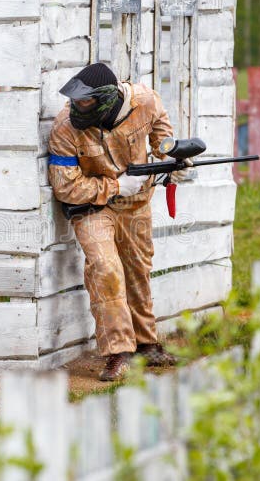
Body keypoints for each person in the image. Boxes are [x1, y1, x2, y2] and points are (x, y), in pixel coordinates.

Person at [47, 62, 193, 381]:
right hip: (90, 207)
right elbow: (65, 186)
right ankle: (118, 352)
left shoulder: (146, 102)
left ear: (106, 99)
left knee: (138, 269)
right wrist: (115, 186)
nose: (77, 106)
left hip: (136, 204)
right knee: (106, 268)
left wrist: (173, 162)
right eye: (75, 100)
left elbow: (163, 141)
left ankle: (146, 345)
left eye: (85, 101)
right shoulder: (64, 127)